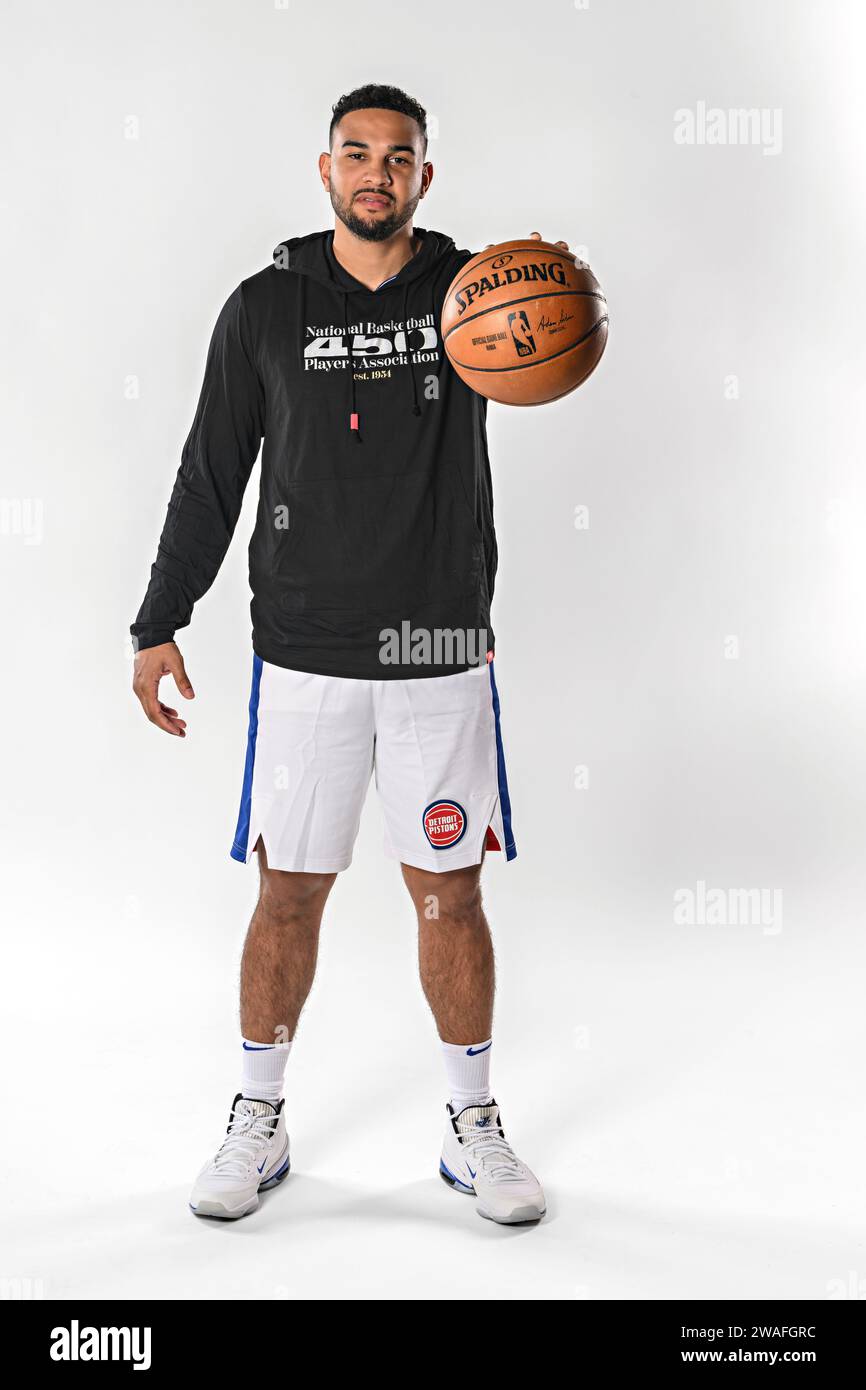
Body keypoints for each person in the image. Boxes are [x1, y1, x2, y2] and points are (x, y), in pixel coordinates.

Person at [131, 82, 570, 1225]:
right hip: (306, 652)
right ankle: (258, 1115)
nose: (377, 170)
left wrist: (566, 299)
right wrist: (157, 618)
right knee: (288, 894)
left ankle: (472, 1122)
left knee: (448, 895)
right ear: (323, 170)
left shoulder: (469, 293)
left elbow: (547, 330)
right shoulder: (264, 308)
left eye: (399, 155)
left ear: (425, 176)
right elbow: (209, 471)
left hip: (436, 650)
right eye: (357, 152)